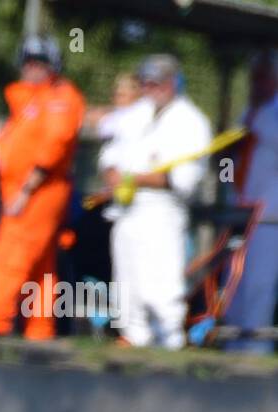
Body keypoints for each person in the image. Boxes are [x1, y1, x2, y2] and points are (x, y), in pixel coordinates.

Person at [98, 54, 211, 349]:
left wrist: (135, 178)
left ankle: (170, 343)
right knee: (127, 284)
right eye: (146, 82)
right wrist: (113, 173)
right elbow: (110, 150)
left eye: (157, 82)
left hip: (162, 213)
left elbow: (183, 179)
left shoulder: (191, 122)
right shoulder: (135, 114)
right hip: (127, 209)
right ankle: (132, 338)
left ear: (173, 83)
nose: (151, 88)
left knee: (160, 287)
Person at [0, 36, 85, 339]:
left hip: (40, 193)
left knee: (12, 257)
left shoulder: (61, 98)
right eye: (28, 63)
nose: (33, 70)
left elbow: (54, 146)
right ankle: (40, 330)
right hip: (20, 190)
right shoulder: (29, 101)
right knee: (41, 267)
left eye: (40, 63)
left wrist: (26, 190)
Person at [224, 51, 278, 353]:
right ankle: (233, 345)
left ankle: (256, 349)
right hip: (241, 209)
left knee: (260, 281)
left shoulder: (271, 114)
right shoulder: (248, 112)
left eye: (263, 77)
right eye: (254, 78)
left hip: (270, 215)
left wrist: (256, 122)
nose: (257, 84)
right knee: (235, 280)